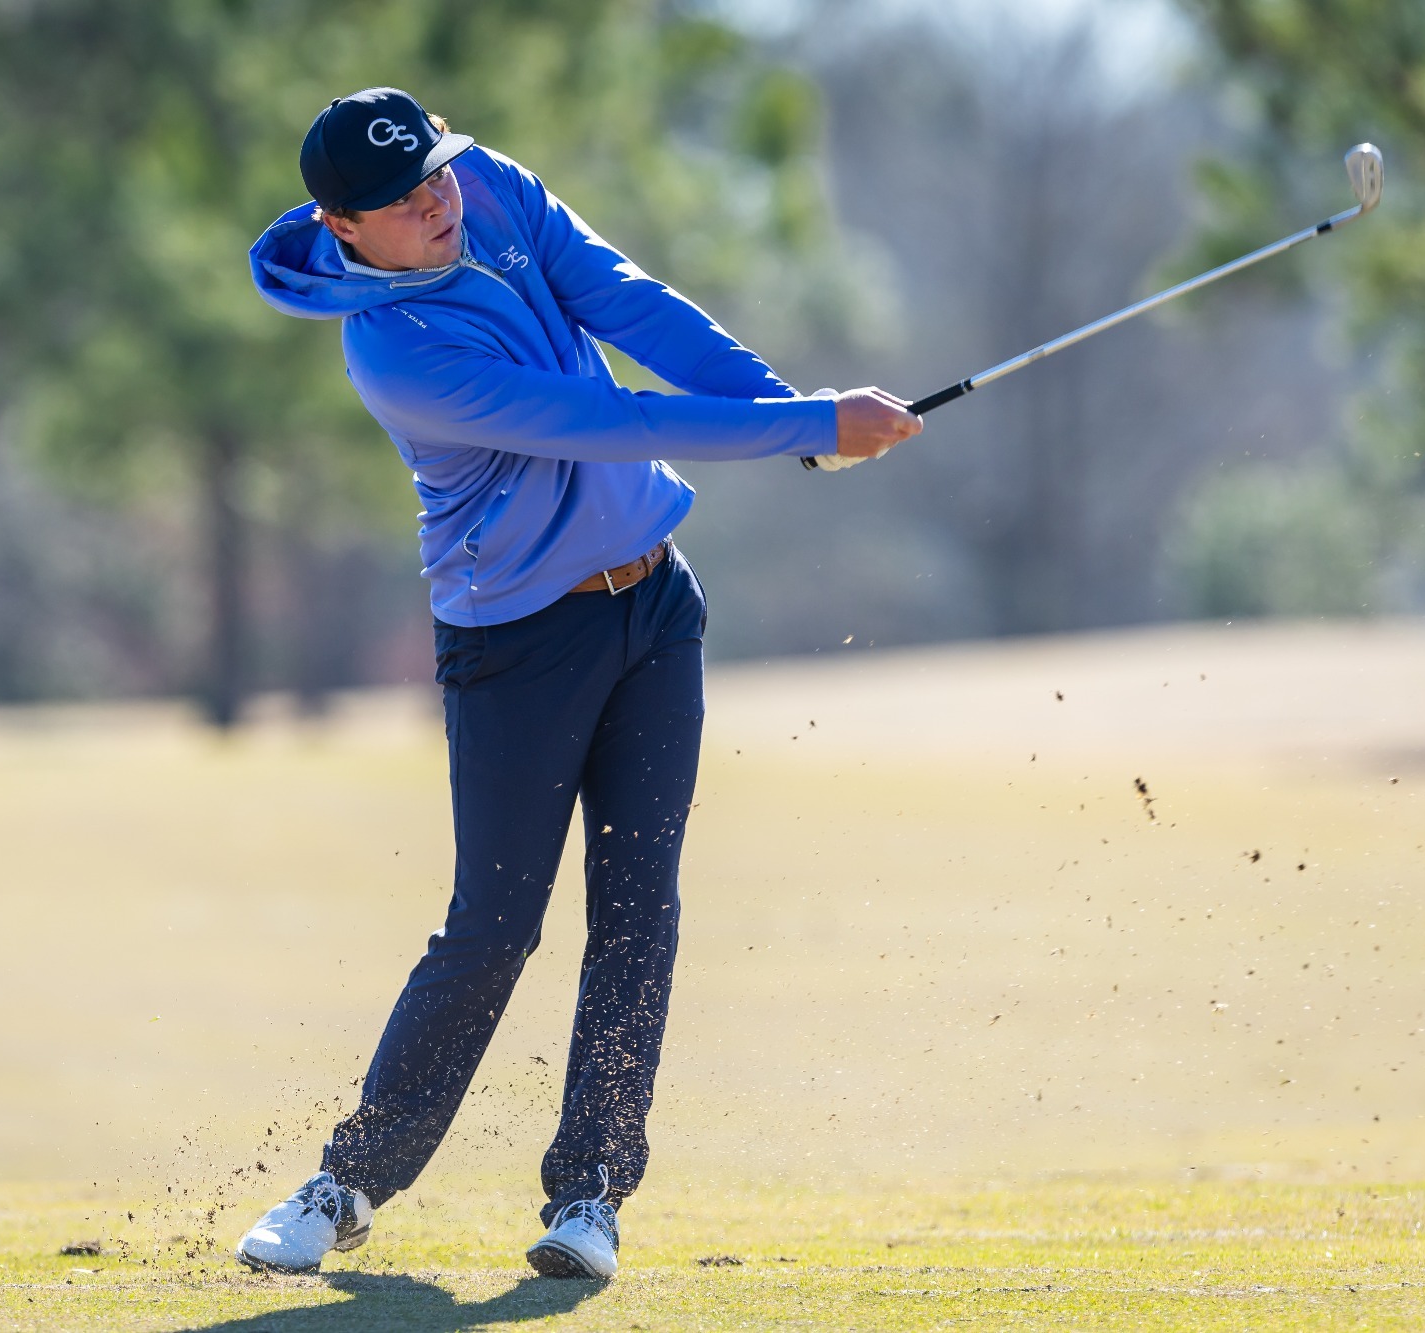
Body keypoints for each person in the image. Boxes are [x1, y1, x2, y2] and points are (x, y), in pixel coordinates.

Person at [237, 86, 920, 1280]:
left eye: (437, 173)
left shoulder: (488, 187)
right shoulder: (393, 351)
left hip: (655, 607)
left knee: (638, 912)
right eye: (402, 200)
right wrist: (806, 420)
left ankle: (588, 1198)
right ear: (341, 225)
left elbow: (626, 304)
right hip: (516, 641)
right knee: (492, 926)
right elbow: (596, 417)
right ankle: (348, 1180)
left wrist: (789, 414)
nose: (437, 201)